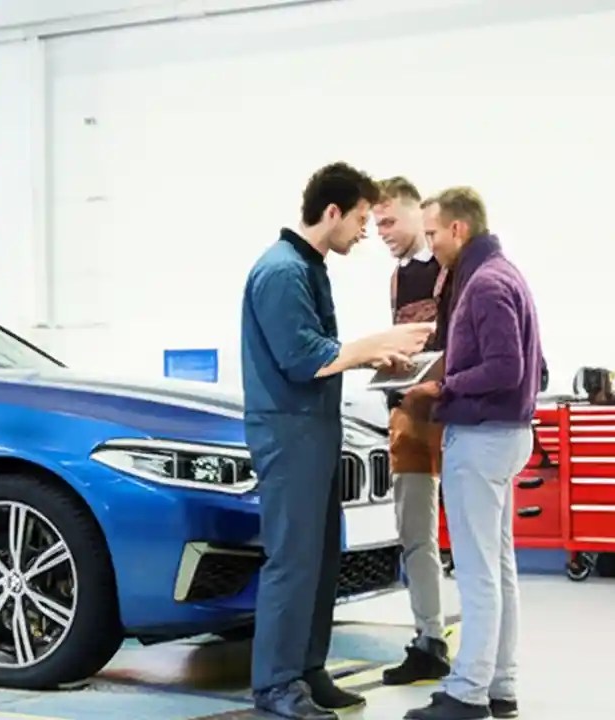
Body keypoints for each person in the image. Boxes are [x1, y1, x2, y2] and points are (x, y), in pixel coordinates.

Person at [240, 162, 435, 720]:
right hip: (289, 433)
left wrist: (376, 355)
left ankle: (306, 670)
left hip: (315, 431)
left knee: (322, 557)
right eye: (359, 220)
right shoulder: (281, 272)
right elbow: (304, 358)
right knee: (292, 561)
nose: (366, 232)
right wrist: (376, 343)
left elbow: (322, 353)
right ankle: (275, 686)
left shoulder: (309, 266)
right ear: (332, 212)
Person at [402, 187, 542, 720]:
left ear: (458, 229)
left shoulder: (482, 285)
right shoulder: (508, 275)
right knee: (499, 566)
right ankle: (499, 684)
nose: (430, 243)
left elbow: (505, 368)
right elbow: (534, 367)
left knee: (478, 571)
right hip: (507, 437)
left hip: (482, 439)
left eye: (433, 233)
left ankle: (467, 693)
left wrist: (443, 387)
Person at [372, 177, 453, 686]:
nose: (381, 232)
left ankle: (485, 662)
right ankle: (431, 640)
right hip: (410, 420)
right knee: (415, 537)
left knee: (470, 541)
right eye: (375, 224)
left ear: (415, 213)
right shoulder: (397, 280)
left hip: (457, 417)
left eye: (389, 222)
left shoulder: (453, 267)